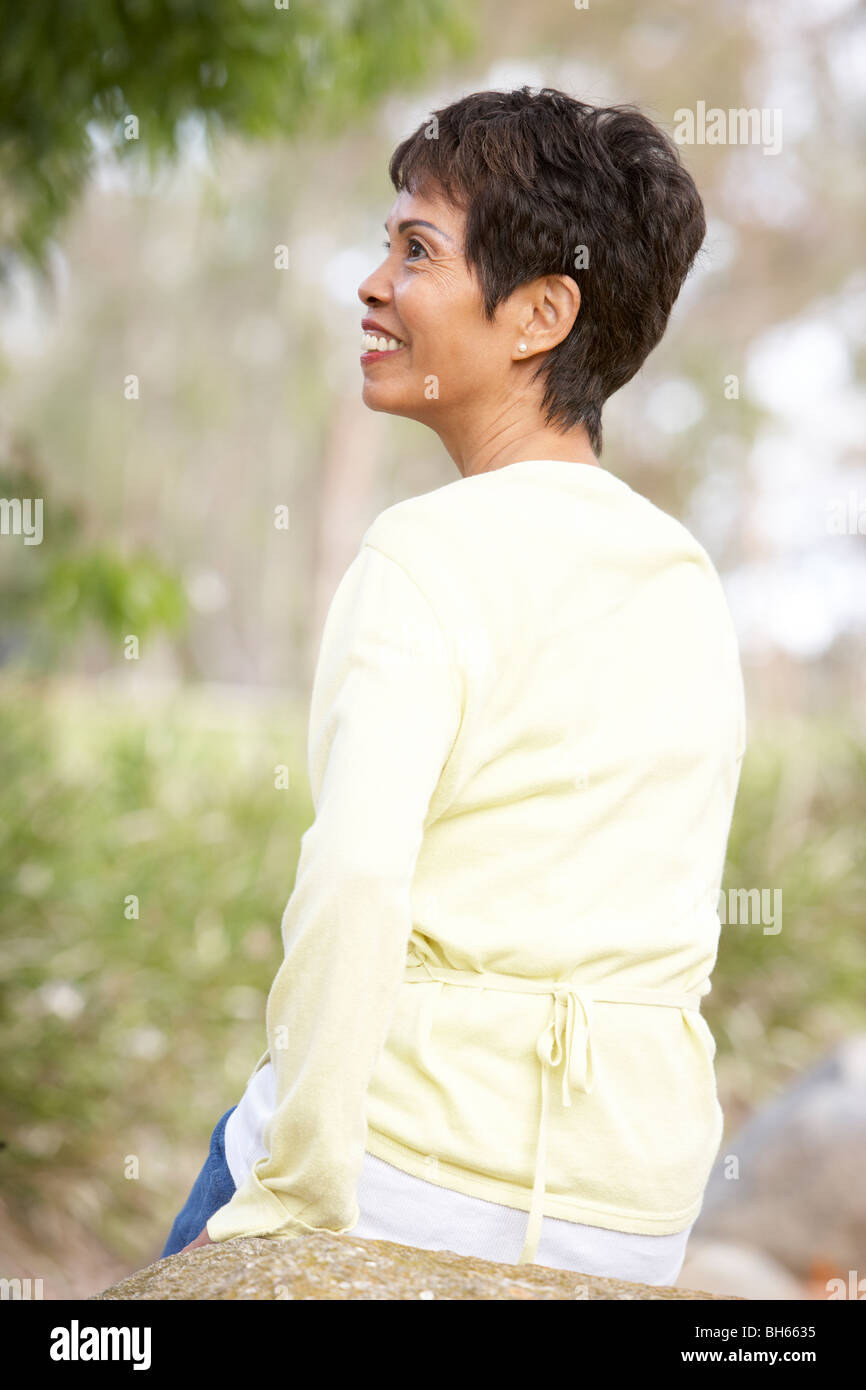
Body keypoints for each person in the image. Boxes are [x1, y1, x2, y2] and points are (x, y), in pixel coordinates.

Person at [161, 86, 746, 1285]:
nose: (371, 285)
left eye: (415, 249)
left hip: (403, 1170)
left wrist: (296, 1192)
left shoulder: (423, 554)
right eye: (384, 246)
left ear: (540, 311)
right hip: (629, 1215)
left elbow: (359, 878)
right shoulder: (685, 579)